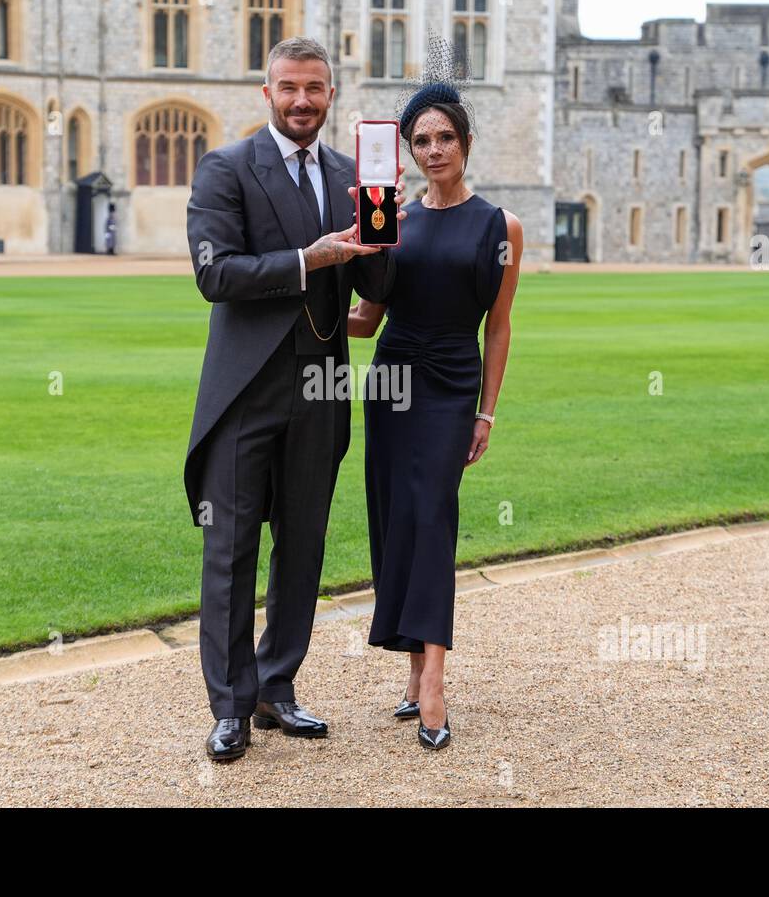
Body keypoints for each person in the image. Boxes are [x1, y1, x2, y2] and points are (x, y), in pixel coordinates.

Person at [184, 37, 407, 762]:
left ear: (331, 94)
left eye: (315, 88)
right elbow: (216, 274)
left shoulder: (351, 173)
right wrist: (312, 258)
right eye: (289, 88)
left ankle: (278, 688)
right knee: (232, 551)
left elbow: (376, 292)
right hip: (245, 390)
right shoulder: (226, 168)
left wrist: (383, 236)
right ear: (267, 93)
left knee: (303, 546)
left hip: (323, 386)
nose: (302, 100)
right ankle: (230, 707)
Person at [348, 64, 522, 750]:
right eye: (420, 140)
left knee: (433, 516)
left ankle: (437, 680)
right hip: (392, 383)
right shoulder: (393, 217)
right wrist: (307, 295)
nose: (432, 150)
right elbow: (366, 319)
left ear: (466, 143)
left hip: (452, 386)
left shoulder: (500, 225)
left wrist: (488, 410)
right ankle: (415, 669)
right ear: (409, 150)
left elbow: (499, 325)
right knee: (396, 520)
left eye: (444, 136)